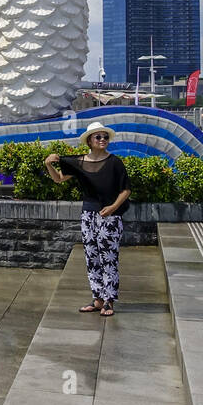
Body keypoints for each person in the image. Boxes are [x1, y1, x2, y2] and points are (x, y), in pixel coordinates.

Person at [44, 122, 131, 317]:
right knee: (92, 257)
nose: (102, 140)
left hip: (109, 216)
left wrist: (113, 207)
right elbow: (58, 178)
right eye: (98, 137)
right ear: (90, 141)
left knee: (109, 258)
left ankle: (109, 300)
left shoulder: (115, 162)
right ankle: (98, 298)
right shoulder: (79, 162)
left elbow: (126, 189)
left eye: (105, 137)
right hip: (88, 215)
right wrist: (48, 164)